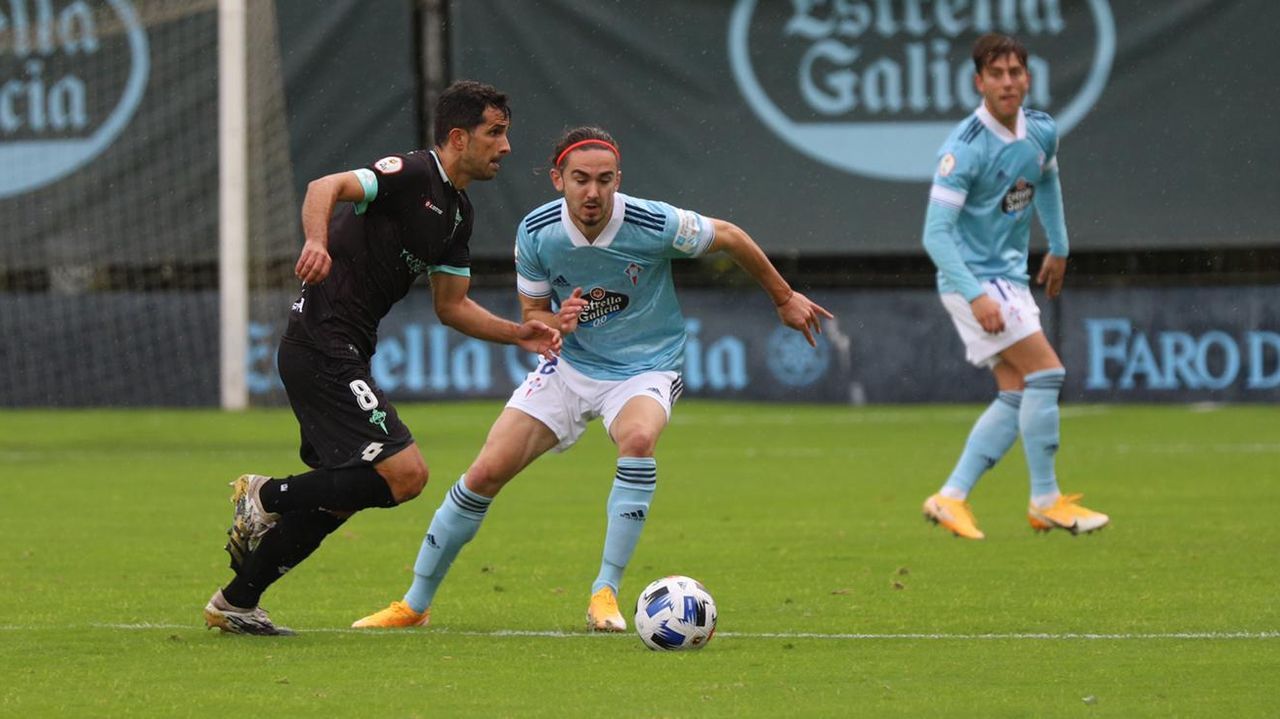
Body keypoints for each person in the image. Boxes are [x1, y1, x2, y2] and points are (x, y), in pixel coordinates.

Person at [352, 126, 833, 631]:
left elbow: (729, 235)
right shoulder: (536, 232)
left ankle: (605, 593)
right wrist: (556, 322)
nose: (593, 192)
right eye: (581, 179)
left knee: (638, 439)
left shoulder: (651, 222)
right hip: (571, 367)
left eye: (605, 180)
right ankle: (414, 605)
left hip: (645, 367)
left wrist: (783, 297)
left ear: (617, 181)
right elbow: (534, 315)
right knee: (485, 472)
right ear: (558, 179)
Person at [203, 81, 562, 635]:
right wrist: (316, 242)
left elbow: (452, 307)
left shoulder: (458, 213)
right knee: (405, 475)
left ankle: (237, 601)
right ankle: (265, 493)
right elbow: (325, 186)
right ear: (458, 137)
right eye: (495, 133)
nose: (506, 146)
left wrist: (519, 333)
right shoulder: (412, 173)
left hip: (344, 350)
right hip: (322, 343)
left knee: (340, 497)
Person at [920, 34, 1109, 540]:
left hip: (1006, 278)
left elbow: (1047, 181)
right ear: (979, 82)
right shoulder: (964, 149)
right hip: (973, 279)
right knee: (1047, 372)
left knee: (1017, 390)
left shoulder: (1042, 130)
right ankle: (1045, 499)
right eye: (996, 74)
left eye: (1015, 73)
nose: (1008, 82)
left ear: (1027, 78)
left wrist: (1060, 247)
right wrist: (975, 295)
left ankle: (950, 497)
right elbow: (935, 235)